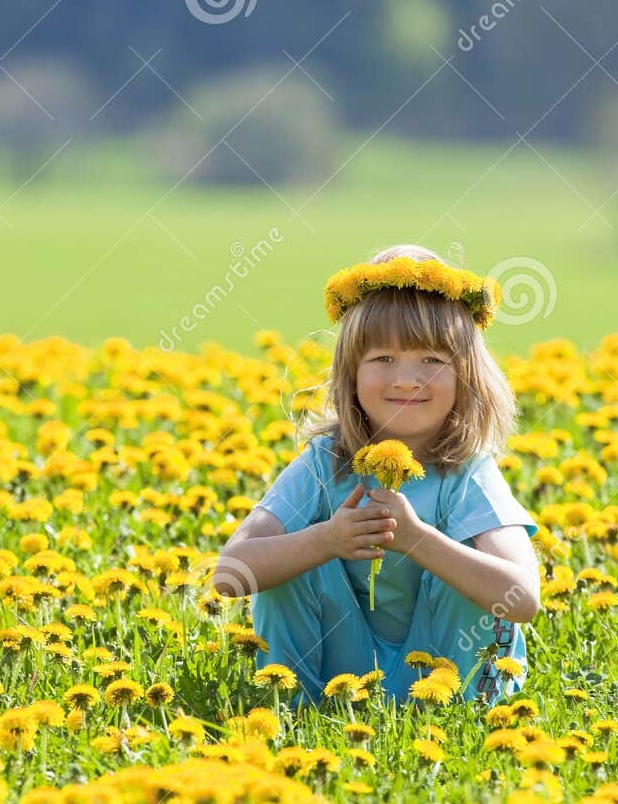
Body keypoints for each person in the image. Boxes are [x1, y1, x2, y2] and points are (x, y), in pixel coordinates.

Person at [215, 244, 541, 704]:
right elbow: (230, 573)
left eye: (431, 359)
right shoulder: (325, 461)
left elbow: (523, 598)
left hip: (449, 675)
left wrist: (419, 540)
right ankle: (292, 707)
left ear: (466, 374)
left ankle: (467, 709)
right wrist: (325, 540)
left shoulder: (467, 472)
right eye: (383, 359)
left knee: (470, 565)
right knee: (287, 559)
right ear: (350, 374)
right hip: (343, 677)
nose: (407, 380)